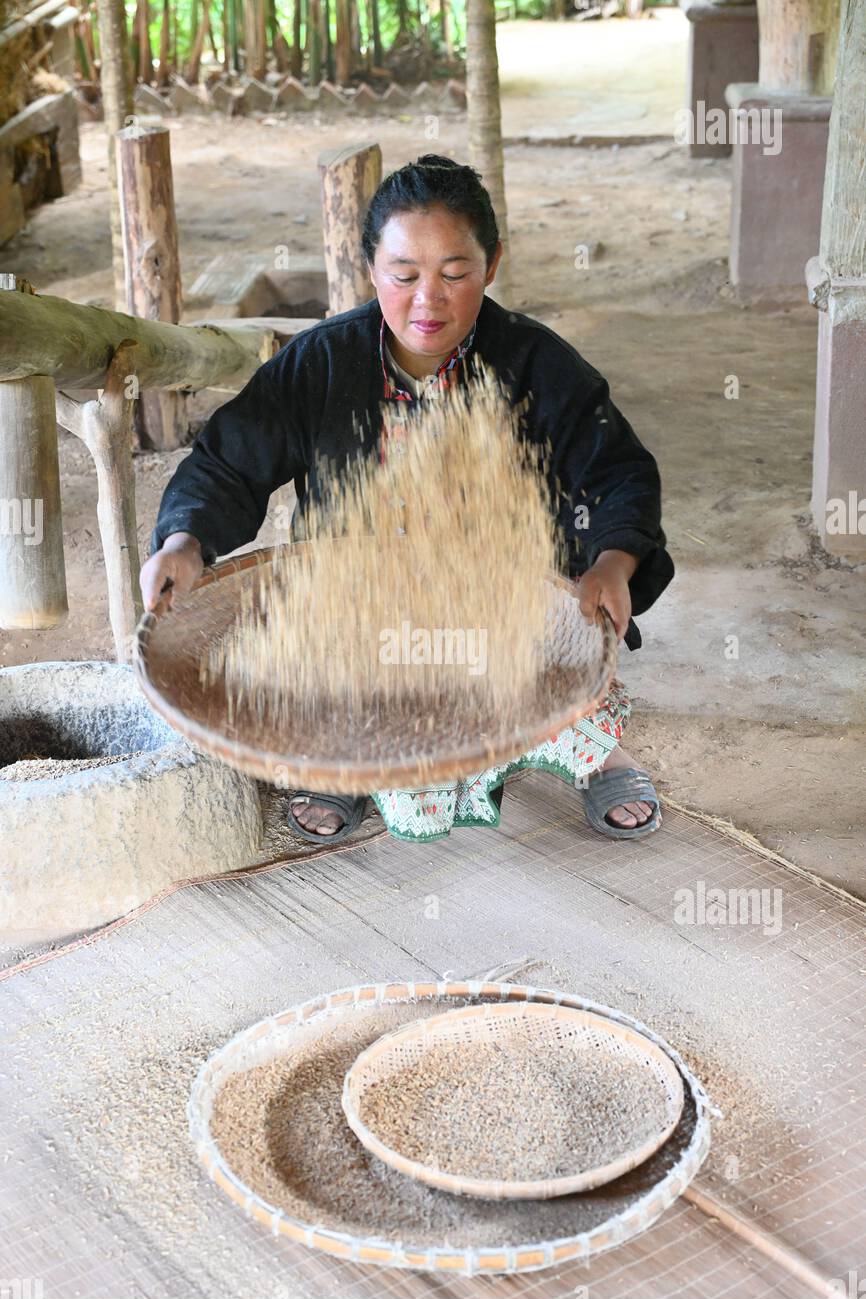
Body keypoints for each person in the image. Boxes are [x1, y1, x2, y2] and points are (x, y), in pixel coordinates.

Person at [141, 155, 673, 845]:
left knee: (557, 673)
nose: (429, 300)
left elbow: (619, 470)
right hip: (356, 615)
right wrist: (185, 541)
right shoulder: (322, 363)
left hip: (498, 614)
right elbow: (227, 462)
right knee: (323, 681)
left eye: (456, 274)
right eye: (404, 275)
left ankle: (600, 750)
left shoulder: (539, 364)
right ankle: (344, 769)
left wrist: (613, 562)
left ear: (493, 264)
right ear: (370, 269)